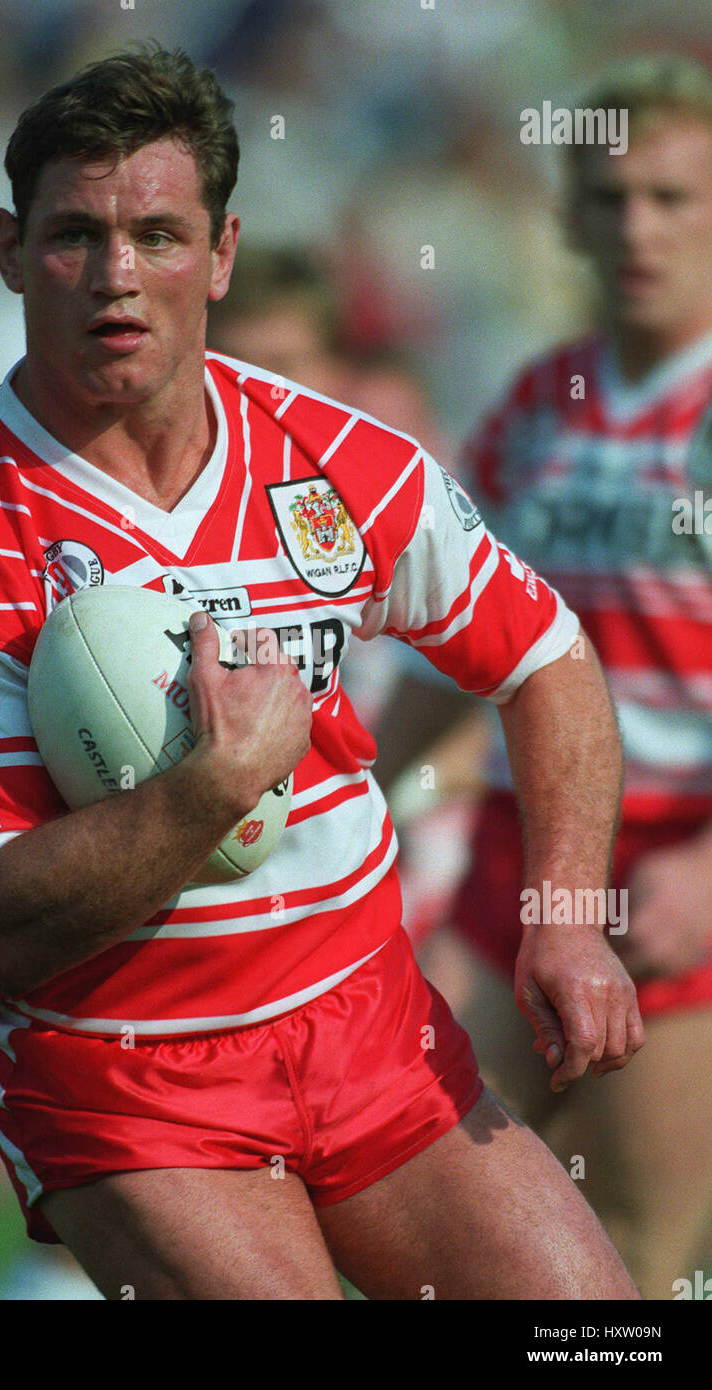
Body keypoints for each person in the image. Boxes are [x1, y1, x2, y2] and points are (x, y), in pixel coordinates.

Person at [0, 46, 642, 1301]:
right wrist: (213, 781)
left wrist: (564, 920)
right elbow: (2, 924)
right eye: (75, 236)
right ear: (8, 250)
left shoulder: (339, 457)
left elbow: (545, 659)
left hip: (366, 1026)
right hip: (125, 1075)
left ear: (220, 253)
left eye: (158, 235)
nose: (118, 276)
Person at [419, 54, 712, 1300]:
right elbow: (460, 639)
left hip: (673, 872)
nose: (634, 226)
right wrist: (332, 786)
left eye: (670, 196)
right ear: (567, 214)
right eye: (608, 196)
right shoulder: (538, 404)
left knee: (633, 1260)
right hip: (521, 847)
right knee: (423, 1213)